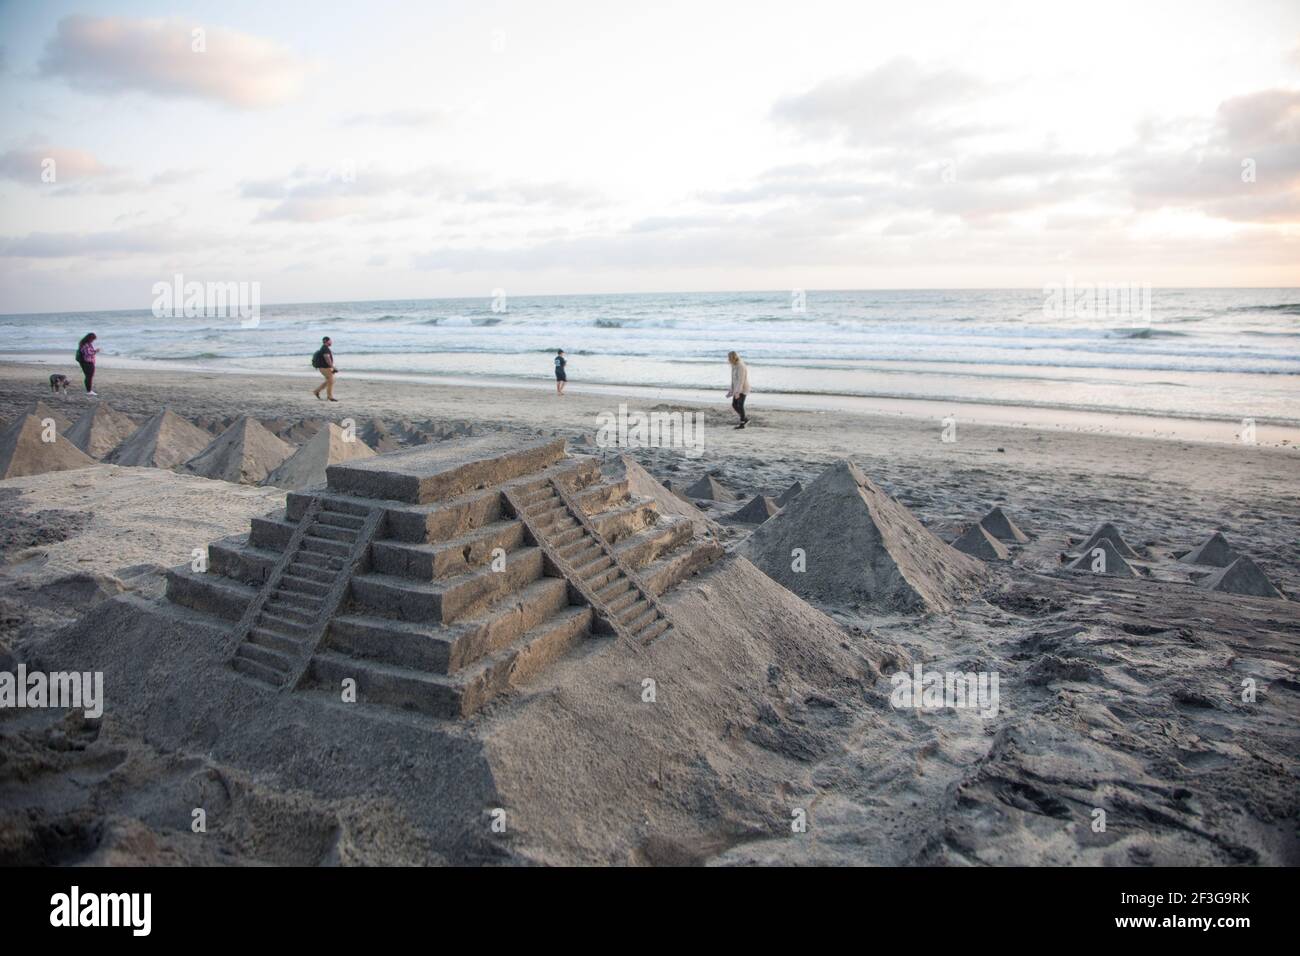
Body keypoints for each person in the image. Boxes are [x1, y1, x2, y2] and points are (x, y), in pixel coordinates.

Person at [726, 350, 750, 429]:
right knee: (734, 405)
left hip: (742, 388)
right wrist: (731, 390)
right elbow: (733, 379)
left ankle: (742, 423)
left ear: (733, 358)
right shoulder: (734, 365)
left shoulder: (740, 366)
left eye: (729, 358)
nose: (728, 360)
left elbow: (741, 380)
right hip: (737, 389)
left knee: (740, 405)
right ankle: (745, 419)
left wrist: (737, 392)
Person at [312, 336, 339, 401]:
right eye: (330, 340)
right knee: (331, 381)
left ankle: (316, 391)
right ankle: (330, 397)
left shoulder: (324, 348)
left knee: (330, 381)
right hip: (324, 368)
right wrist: (333, 367)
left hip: (324, 368)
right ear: (327, 341)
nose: (331, 342)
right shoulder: (325, 348)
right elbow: (327, 359)